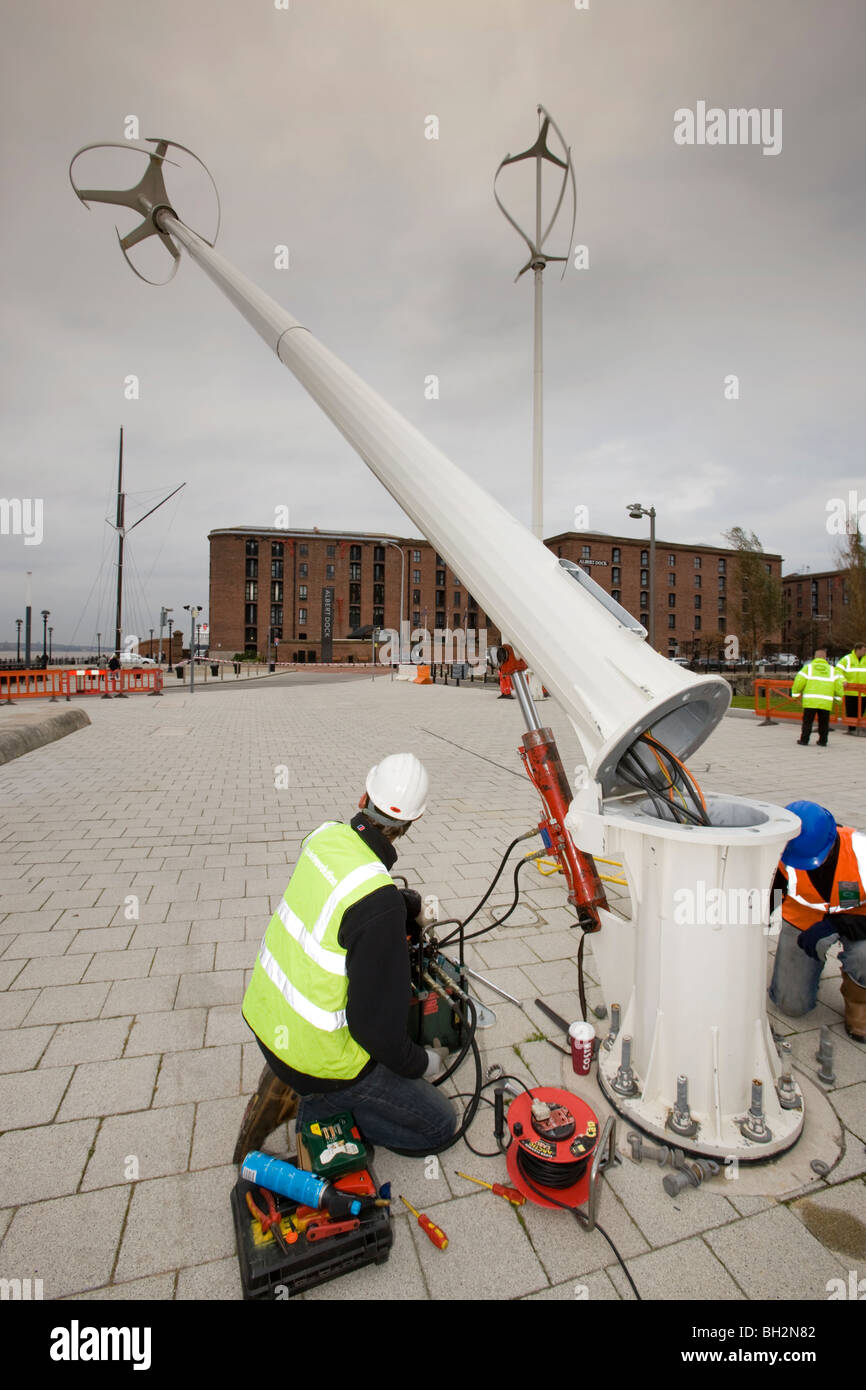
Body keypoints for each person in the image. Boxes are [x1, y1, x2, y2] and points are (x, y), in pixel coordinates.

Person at [233, 753, 456, 1162]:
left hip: (266, 1018)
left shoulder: (322, 837)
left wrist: (399, 903)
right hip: (317, 1058)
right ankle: (317, 1110)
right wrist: (424, 1063)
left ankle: (301, 1087)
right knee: (441, 1124)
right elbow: (376, 1033)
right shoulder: (377, 903)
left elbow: (337, 899)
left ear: (362, 796)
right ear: (412, 823)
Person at [768, 801, 866, 1044]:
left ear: (832, 840)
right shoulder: (783, 849)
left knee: (863, 955)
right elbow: (771, 895)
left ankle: (858, 999)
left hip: (859, 920)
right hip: (804, 919)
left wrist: (836, 926)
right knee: (791, 1005)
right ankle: (808, 969)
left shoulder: (861, 852)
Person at [790, 648, 844, 746]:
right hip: (825, 701)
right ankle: (823, 741)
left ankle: (804, 740)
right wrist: (838, 698)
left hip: (810, 701)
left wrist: (795, 694)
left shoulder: (808, 668)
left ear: (815, 657)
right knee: (824, 722)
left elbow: (799, 682)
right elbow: (838, 686)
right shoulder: (832, 670)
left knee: (807, 722)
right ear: (825, 658)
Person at [836, 641, 866, 734]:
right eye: (864, 650)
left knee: (861, 712)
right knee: (851, 711)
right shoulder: (847, 659)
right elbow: (837, 671)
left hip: (863, 692)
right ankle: (851, 729)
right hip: (850, 691)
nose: (865, 651)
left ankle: (858, 729)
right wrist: (843, 680)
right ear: (857, 650)